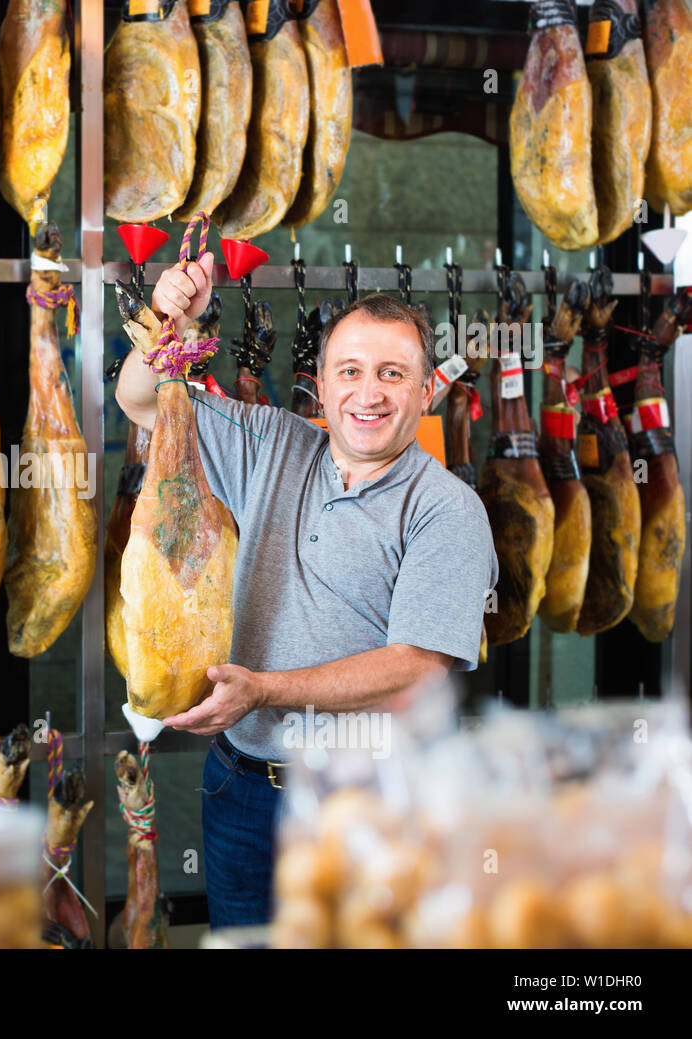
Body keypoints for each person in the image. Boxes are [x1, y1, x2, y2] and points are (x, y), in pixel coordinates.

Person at [114, 251, 497, 929]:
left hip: (369, 799)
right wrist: (171, 321)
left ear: (427, 389)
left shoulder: (448, 510)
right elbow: (141, 399)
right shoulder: (269, 441)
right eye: (349, 371)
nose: (368, 393)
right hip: (242, 787)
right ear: (319, 385)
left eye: (392, 373)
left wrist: (265, 689)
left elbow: (415, 664)